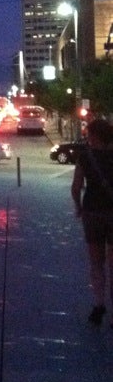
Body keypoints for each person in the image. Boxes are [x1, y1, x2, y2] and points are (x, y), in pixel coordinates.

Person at [71, 118, 113, 325]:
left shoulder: (85, 157)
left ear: (95, 136)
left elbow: (76, 186)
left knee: (96, 263)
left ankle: (99, 305)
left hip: (93, 213)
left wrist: (78, 206)